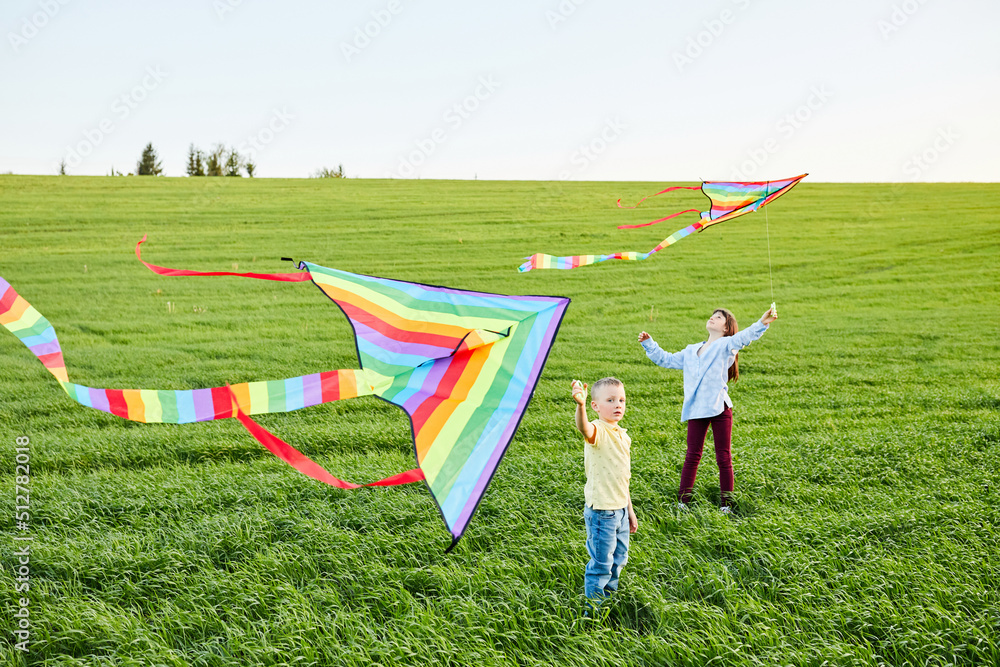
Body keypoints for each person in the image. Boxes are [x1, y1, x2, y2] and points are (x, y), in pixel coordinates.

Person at [637, 305, 777, 512]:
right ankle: (683, 503)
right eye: (712, 315)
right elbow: (666, 359)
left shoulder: (726, 345)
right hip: (697, 409)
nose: (712, 318)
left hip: (719, 408)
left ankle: (726, 505)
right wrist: (649, 344)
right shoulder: (691, 350)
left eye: (718, 317)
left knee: (723, 457)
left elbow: (745, 337)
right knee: (692, 455)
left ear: (727, 328)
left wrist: (763, 322)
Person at [571, 377, 638, 605]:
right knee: (601, 564)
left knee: (619, 559)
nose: (618, 404)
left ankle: (609, 599)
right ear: (595, 406)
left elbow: (623, 478)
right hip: (602, 512)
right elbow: (584, 427)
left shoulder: (623, 435)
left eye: (621, 400)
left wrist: (629, 510)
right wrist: (580, 406)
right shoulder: (598, 431)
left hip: (619, 510)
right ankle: (594, 612)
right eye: (610, 400)